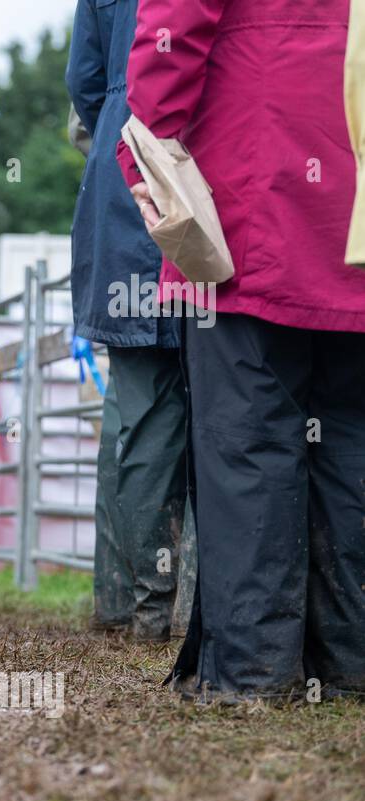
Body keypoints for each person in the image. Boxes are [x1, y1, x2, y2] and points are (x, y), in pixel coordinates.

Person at [120, 0, 365, 700]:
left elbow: (174, 26)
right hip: (351, 185)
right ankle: (347, 665)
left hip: (256, 174)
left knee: (248, 436)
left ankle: (255, 670)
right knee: (350, 435)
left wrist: (146, 151)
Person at [67, 0, 187, 643]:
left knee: (137, 416)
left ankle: (140, 605)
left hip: (121, 183)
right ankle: (192, 599)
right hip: (201, 177)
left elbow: (83, 81)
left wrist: (121, 123)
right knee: (227, 409)